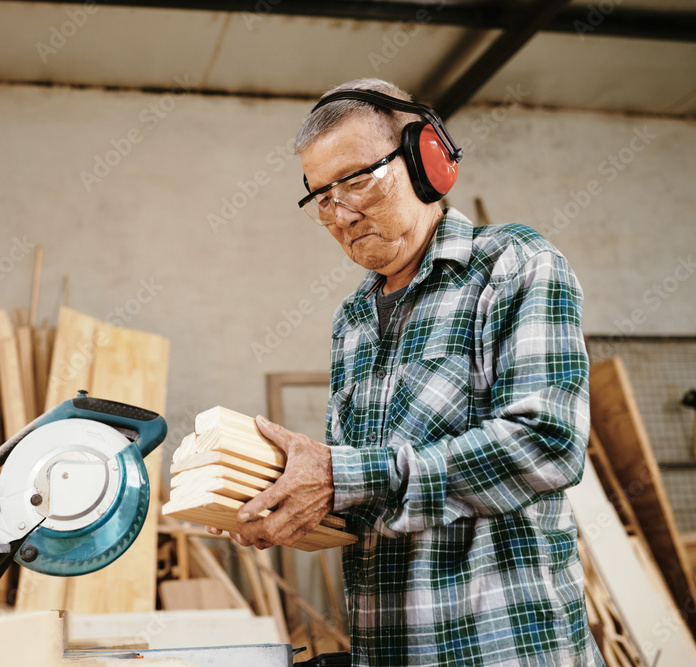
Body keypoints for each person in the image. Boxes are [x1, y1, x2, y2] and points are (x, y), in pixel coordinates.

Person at [210, 78, 602, 666]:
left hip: (500, 647)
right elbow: (366, 491)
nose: (340, 213)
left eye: (356, 180)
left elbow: (547, 445)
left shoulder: (514, 265)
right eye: (320, 196)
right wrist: (279, 503)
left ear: (427, 161)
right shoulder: (353, 319)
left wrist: (343, 476)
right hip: (388, 648)